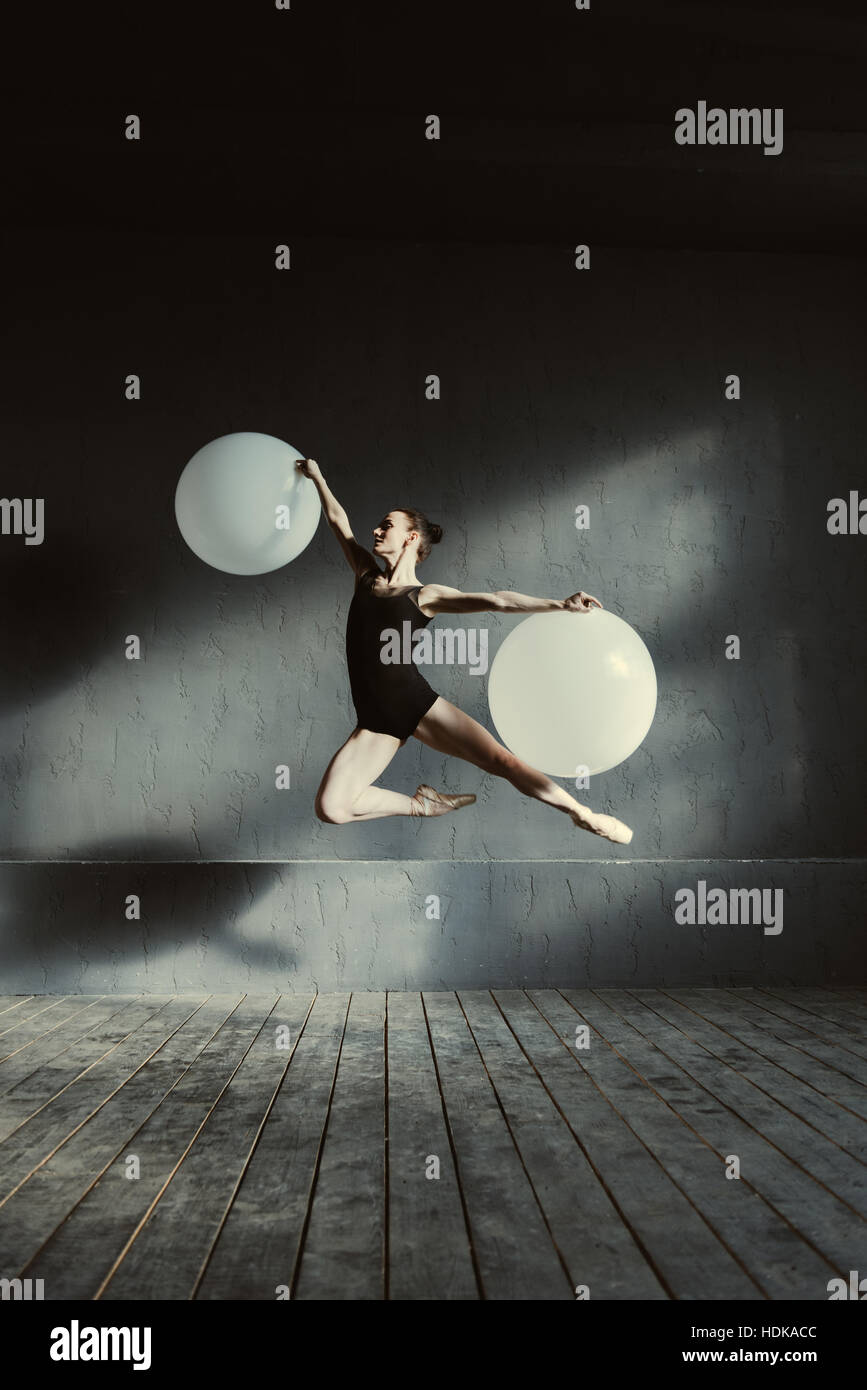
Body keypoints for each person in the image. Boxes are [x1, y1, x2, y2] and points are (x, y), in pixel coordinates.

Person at [298, 458, 632, 844]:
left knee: (500, 761)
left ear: (410, 538)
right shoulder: (365, 575)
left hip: (412, 702)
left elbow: (497, 600)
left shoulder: (425, 596)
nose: (375, 530)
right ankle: (422, 805)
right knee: (332, 808)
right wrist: (318, 478)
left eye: (387, 525)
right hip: (375, 720)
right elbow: (338, 520)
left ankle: (582, 813)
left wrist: (561, 604)